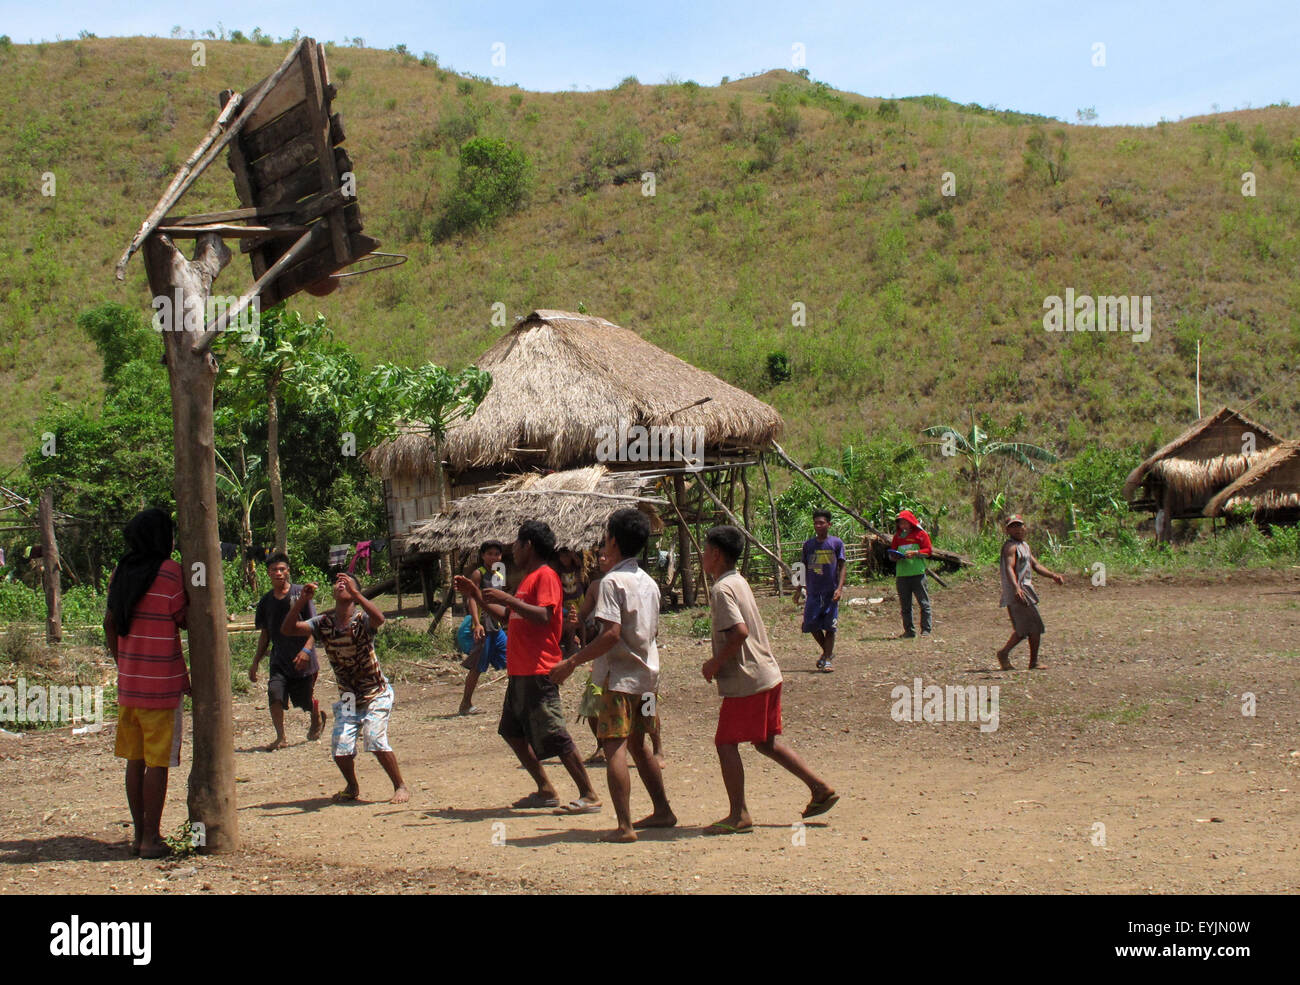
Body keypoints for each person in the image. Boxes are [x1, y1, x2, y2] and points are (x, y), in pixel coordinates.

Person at [454, 521, 601, 815]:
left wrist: (507, 598)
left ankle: (589, 793)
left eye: (516, 545)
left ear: (529, 545)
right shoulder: (528, 579)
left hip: (539, 669)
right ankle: (545, 789)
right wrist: (478, 594)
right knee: (511, 731)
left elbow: (545, 617)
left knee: (555, 733)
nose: (512, 551)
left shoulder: (545, 576)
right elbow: (510, 616)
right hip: (520, 669)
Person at [701, 525, 838, 835]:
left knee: (725, 743)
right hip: (767, 673)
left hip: (747, 679)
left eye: (705, 551)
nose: (702, 556)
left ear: (716, 555)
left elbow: (738, 633)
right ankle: (819, 787)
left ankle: (739, 814)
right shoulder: (737, 581)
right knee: (765, 742)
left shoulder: (722, 589)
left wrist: (714, 663)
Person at [551, 509, 675, 843]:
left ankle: (625, 826)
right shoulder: (648, 583)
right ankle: (662, 810)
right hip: (648, 678)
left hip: (619, 678)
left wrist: (571, 662)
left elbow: (610, 634)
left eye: (606, 537)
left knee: (615, 747)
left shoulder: (611, 583)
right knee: (639, 744)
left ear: (614, 542)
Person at [102, 508, 189, 859]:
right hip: (162, 687)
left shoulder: (121, 572)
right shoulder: (169, 574)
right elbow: (184, 619)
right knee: (158, 763)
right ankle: (152, 839)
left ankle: (139, 836)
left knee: (135, 761)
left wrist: (123, 662)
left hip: (129, 686)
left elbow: (109, 623)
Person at [281, 572, 410, 804]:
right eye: (338, 582)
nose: (340, 584)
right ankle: (352, 786)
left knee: (374, 738)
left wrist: (358, 594)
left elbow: (379, 618)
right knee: (340, 748)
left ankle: (400, 785)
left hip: (375, 691)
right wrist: (302, 600)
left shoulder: (361, 620)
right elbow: (288, 629)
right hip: (349, 696)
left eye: (346, 583)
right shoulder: (324, 623)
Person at [250, 552, 325, 749]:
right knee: (275, 694)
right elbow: (265, 634)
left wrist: (307, 651)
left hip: (302, 659)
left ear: (288, 571)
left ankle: (316, 716)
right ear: (268, 573)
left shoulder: (301, 594)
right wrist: (256, 661)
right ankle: (280, 736)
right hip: (279, 659)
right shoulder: (265, 602)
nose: (278, 573)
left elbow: (315, 627)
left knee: (304, 700)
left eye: (282, 569)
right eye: (274, 570)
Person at [996, 515, 1065, 671]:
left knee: (1026, 629)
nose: (1017, 529)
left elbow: (1035, 565)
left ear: (1025, 527)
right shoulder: (1010, 547)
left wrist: (1052, 575)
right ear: (1007, 530)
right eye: (1013, 526)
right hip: (1018, 592)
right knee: (1032, 627)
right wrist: (1015, 588)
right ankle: (1024, 660)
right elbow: (1009, 568)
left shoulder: (1024, 545)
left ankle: (1008, 654)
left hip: (1025, 590)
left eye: (1019, 525)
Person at [458, 540, 508, 716]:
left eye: (497, 554)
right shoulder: (479, 574)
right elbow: (472, 598)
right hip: (484, 623)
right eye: (490, 554)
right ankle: (465, 703)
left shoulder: (500, 571)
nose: (494, 557)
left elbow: (501, 595)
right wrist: (477, 623)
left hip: (497, 623)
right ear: (483, 556)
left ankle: (515, 702)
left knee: (511, 656)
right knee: (478, 666)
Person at [797, 509, 846, 672]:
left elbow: (842, 566)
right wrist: (799, 588)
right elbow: (803, 567)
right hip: (813, 592)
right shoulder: (808, 545)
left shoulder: (836, 543)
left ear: (829, 524)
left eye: (821, 523)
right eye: (816, 523)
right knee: (810, 624)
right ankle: (827, 653)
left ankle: (827, 660)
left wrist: (839, 588)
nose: (818, 525)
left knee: (830, 627)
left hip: (830, 592)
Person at [889, 510, 933, 638]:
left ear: (911, 522)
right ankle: (909, 631)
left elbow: (928, 551)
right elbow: (892, 554)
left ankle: (926, 630)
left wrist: (915, 553)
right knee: (905, 605)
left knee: (923, 603)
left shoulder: (921, 534)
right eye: (901, 523)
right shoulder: (897, 537)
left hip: (917, 574)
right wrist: (895, 557)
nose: (903, 526)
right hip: (902, 574)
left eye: (905, 523)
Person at [554, 546, 587, 657]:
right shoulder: (559, 570)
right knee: (572, 621)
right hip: (568, 599)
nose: (564, 559)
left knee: (581, 620)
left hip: (579, 596)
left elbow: (580, 564)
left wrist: (572, 554)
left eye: (566, 557)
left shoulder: (575, 566)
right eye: (562, 557)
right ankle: (571, 648)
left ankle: (583, 645)